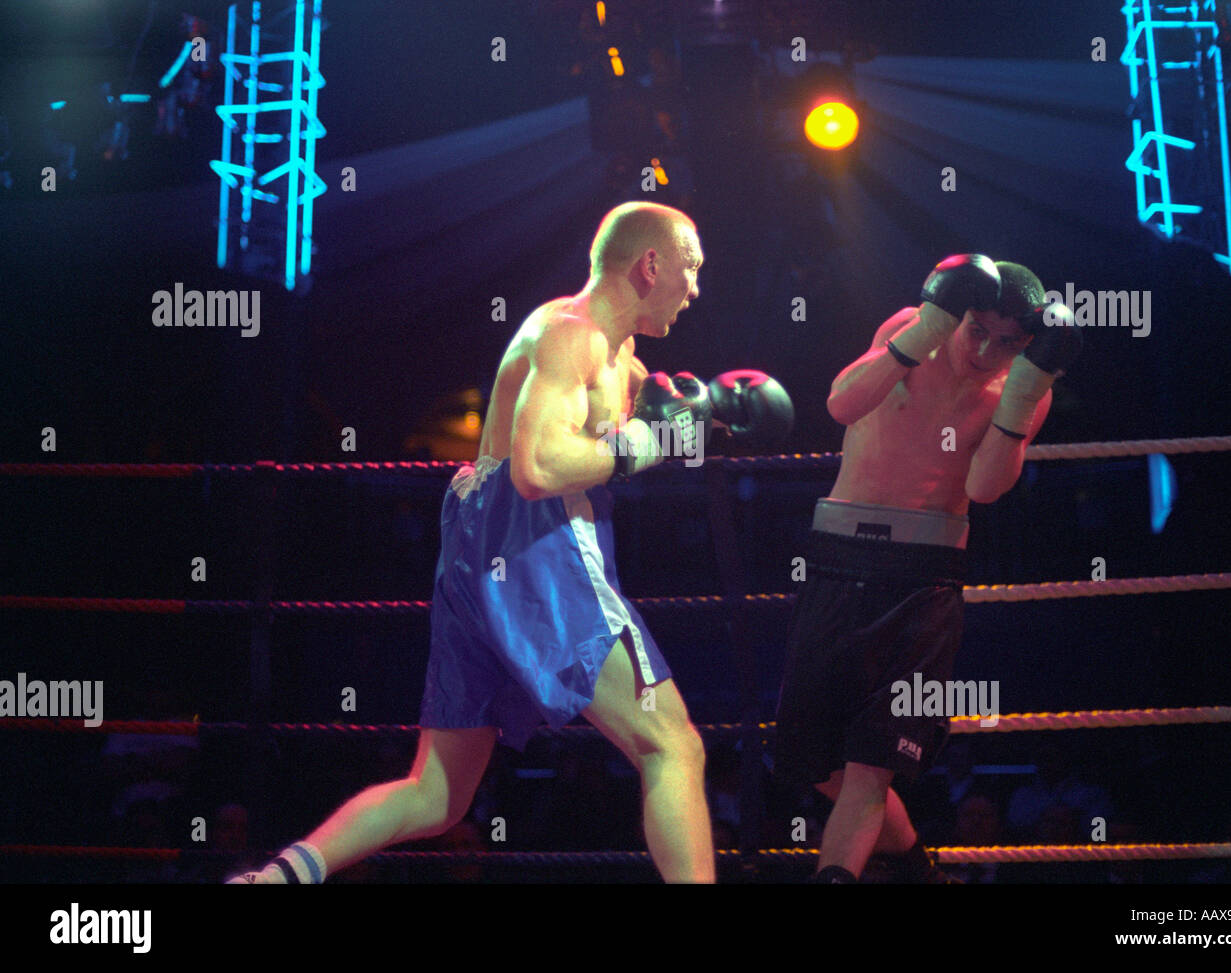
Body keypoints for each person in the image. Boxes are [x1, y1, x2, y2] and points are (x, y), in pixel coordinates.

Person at [231, 201, 720, 884]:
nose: (695, 288)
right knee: (673, 744)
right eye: (690, 268)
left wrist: (716, 408)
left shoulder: (620, 355)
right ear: (651, 263)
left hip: (477, 549)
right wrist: (643, 444)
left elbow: (657, 430)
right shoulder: (568, 334)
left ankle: (282, 876)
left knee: (437, 793)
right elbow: (538, 469)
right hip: (534, 543)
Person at [772, 254, 1081, 883]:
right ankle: (915, 866)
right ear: (956, 313)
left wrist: (1022, 394)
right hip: (840, 559)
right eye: (977, 330)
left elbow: (987, 487)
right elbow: (840, 402)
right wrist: (923, 332)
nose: (988, 351)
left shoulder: (1024, 385)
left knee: (874, 762)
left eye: (1010, 343)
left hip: (926, 577)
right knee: (807, 759)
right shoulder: (913, 325)